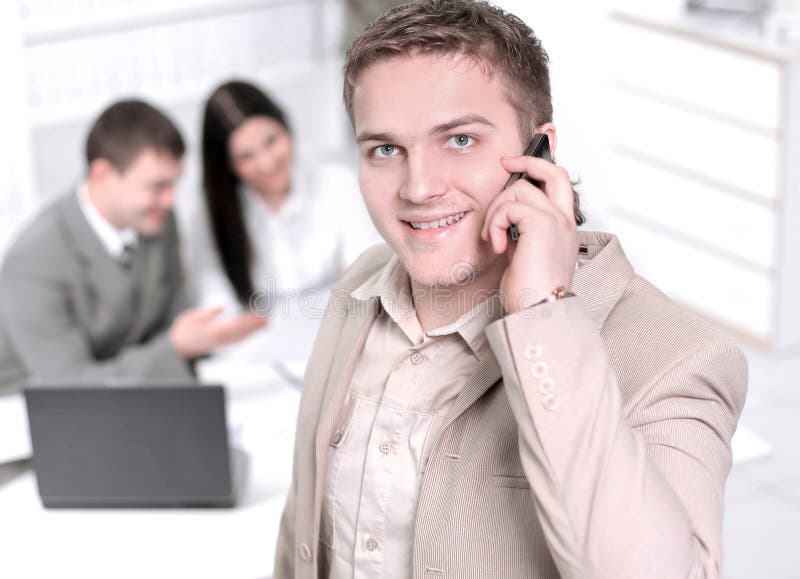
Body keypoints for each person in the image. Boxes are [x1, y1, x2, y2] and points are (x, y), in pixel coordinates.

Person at [273, 1, 748, 578]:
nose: (418, 188)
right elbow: (303, 531)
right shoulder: (359, 289)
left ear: (538, 151)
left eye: (460, 140)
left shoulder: (677, 360)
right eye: (386, 150)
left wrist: (543, 317)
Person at [0, 99, 265, 386]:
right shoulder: (32, 261)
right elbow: (70, 385)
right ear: (102, 175)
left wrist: (206, 338)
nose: (171, 200)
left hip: (136, 396)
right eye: (158, 186)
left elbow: (171, 322)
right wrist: (177, 348)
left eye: (174, 184)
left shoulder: (158, 220)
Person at [184, 80, 379, 363]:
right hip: (263, 366)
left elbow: (368, 283)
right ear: (227, 165)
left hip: (346, 350)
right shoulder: (210, 217)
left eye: (271, 141)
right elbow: (221, 321)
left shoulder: (337, 183)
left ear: (285, 126)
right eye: (246, 156)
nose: (266, 163)